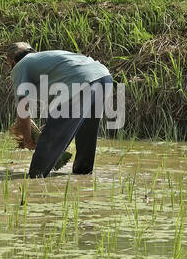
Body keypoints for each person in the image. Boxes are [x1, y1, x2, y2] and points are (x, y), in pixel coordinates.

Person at [6, 43, 114, 178]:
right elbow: (60, 112)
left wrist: (27, 139)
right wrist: (51, 126)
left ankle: (35, 179)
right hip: (104, 77)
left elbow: (23, 109)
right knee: (86, 135)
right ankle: (83, 176)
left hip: (80, 82)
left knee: (50, 140)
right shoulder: (47, 61)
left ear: (11, 61)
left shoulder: (21, 66)